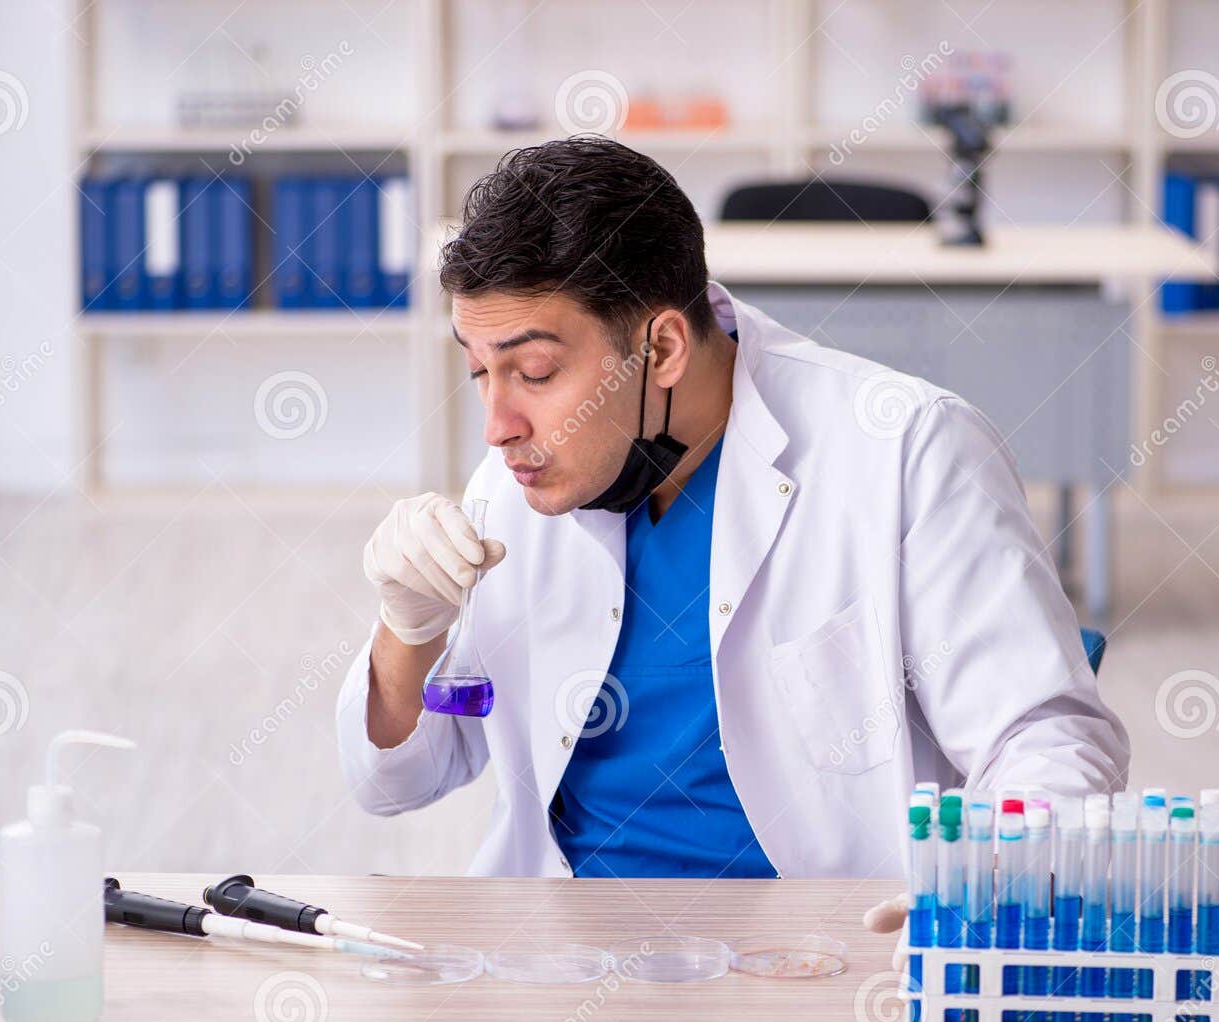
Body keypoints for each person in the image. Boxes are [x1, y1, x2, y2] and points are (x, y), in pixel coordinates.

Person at [336, 136, 1128, 878]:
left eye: (536, 372)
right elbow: (396, 781)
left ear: (663, 349)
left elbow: (1045, 742)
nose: (497, 426)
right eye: (479, 372)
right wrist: (409, 629)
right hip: (561, 943)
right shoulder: (518, 481)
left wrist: (968, 900)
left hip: (819, 951)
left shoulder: (907, 450)